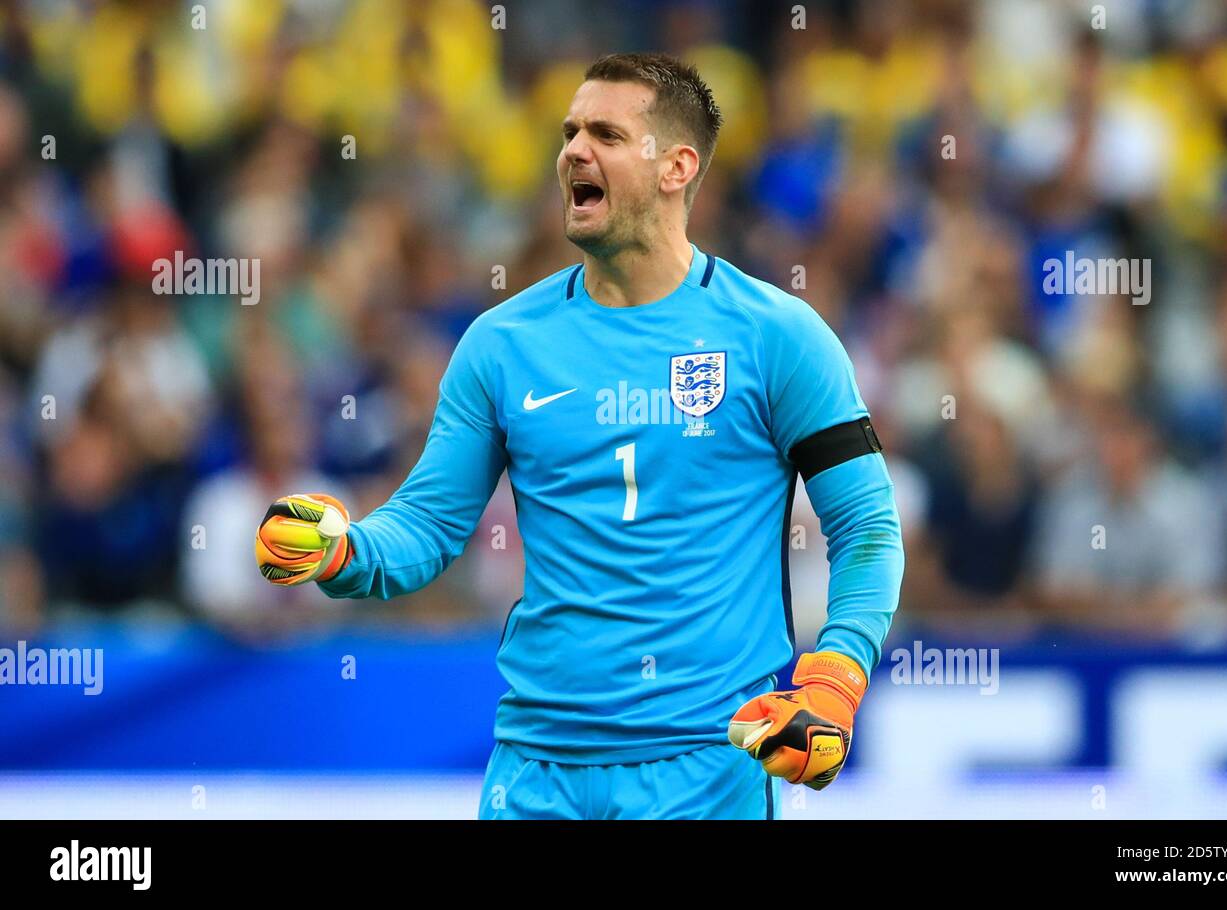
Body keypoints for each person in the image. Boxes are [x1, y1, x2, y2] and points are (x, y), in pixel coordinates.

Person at [253, 53, 904, 819]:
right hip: (535, 770)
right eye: (568, 132)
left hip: (703, 767)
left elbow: (866, 527)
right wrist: (345, 552)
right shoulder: (500, 344)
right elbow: (428, 524)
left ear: (677, 166)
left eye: (605, 133)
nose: (572, 152)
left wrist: (834, 681)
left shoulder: (779, 337)